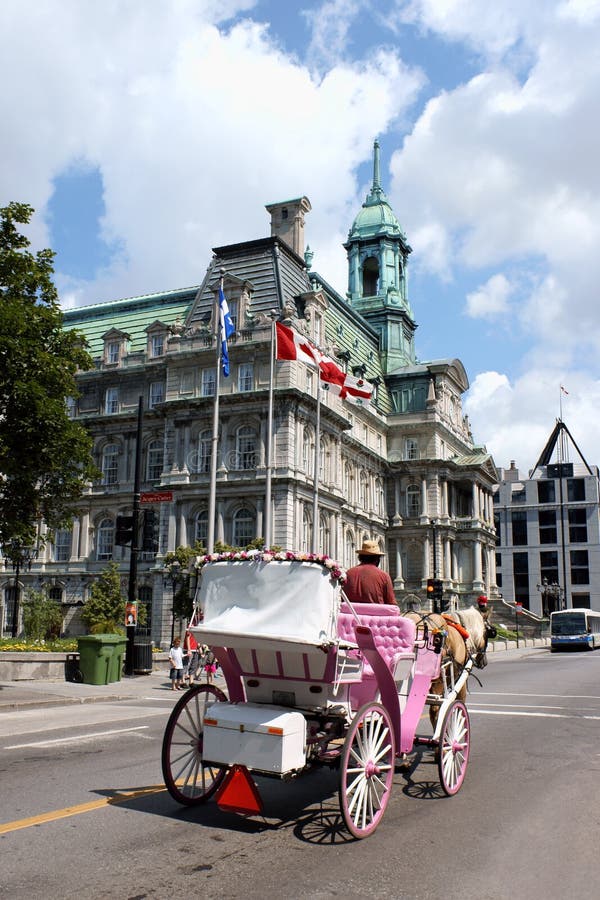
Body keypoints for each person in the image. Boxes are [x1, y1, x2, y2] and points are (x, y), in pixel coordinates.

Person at [343, 540, 397, 605]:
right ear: (377, 559)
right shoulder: (384, 576)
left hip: (351, 614)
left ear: (360, 557)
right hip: (377, 614)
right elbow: (391, 604)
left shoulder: (348, 573)